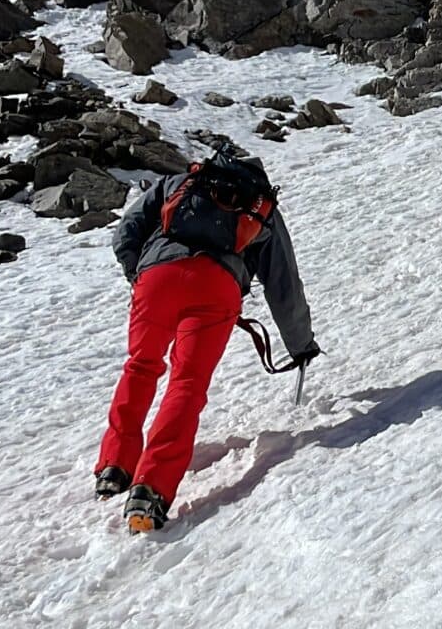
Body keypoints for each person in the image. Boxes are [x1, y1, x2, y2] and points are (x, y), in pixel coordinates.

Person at [94, 150, 319, 533]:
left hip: (157, 278)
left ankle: (114, 467)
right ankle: (150, 492)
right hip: (217, 287)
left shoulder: (181, 182)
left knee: (141, 365)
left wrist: (140, 271)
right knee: (187, 384)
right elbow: (283, 285)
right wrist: (300, 345)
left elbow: (126, 232)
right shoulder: (261, 205)